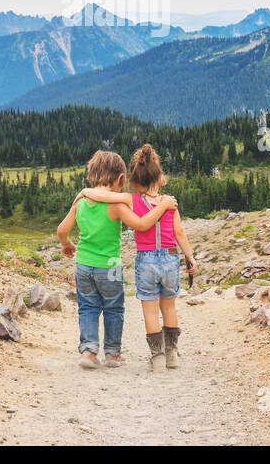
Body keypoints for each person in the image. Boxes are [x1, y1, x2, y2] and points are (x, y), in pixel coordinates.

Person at [79, 144, 197, 372]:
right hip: (171, 259)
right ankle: (172, 354)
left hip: (146, 262)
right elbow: (179, 232)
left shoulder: (132, 200)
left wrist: (84, 192)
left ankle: (158, 358)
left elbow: (102, 195)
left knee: (150, 310)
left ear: (133, 181)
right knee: (169, 308)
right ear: (160, 179)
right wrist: (190, 258)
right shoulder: (170, 203)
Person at [57, 150, 176, 369]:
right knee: (113, 308)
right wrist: (163, 206)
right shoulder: (118, 205)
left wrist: (66, 244)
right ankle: (112, 354)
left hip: (83, 265)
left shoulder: (81, 202)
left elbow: (62, 229)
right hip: (110, 267)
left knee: (88, 307)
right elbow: (141, 225)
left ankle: (89, 351)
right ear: (120, 179)